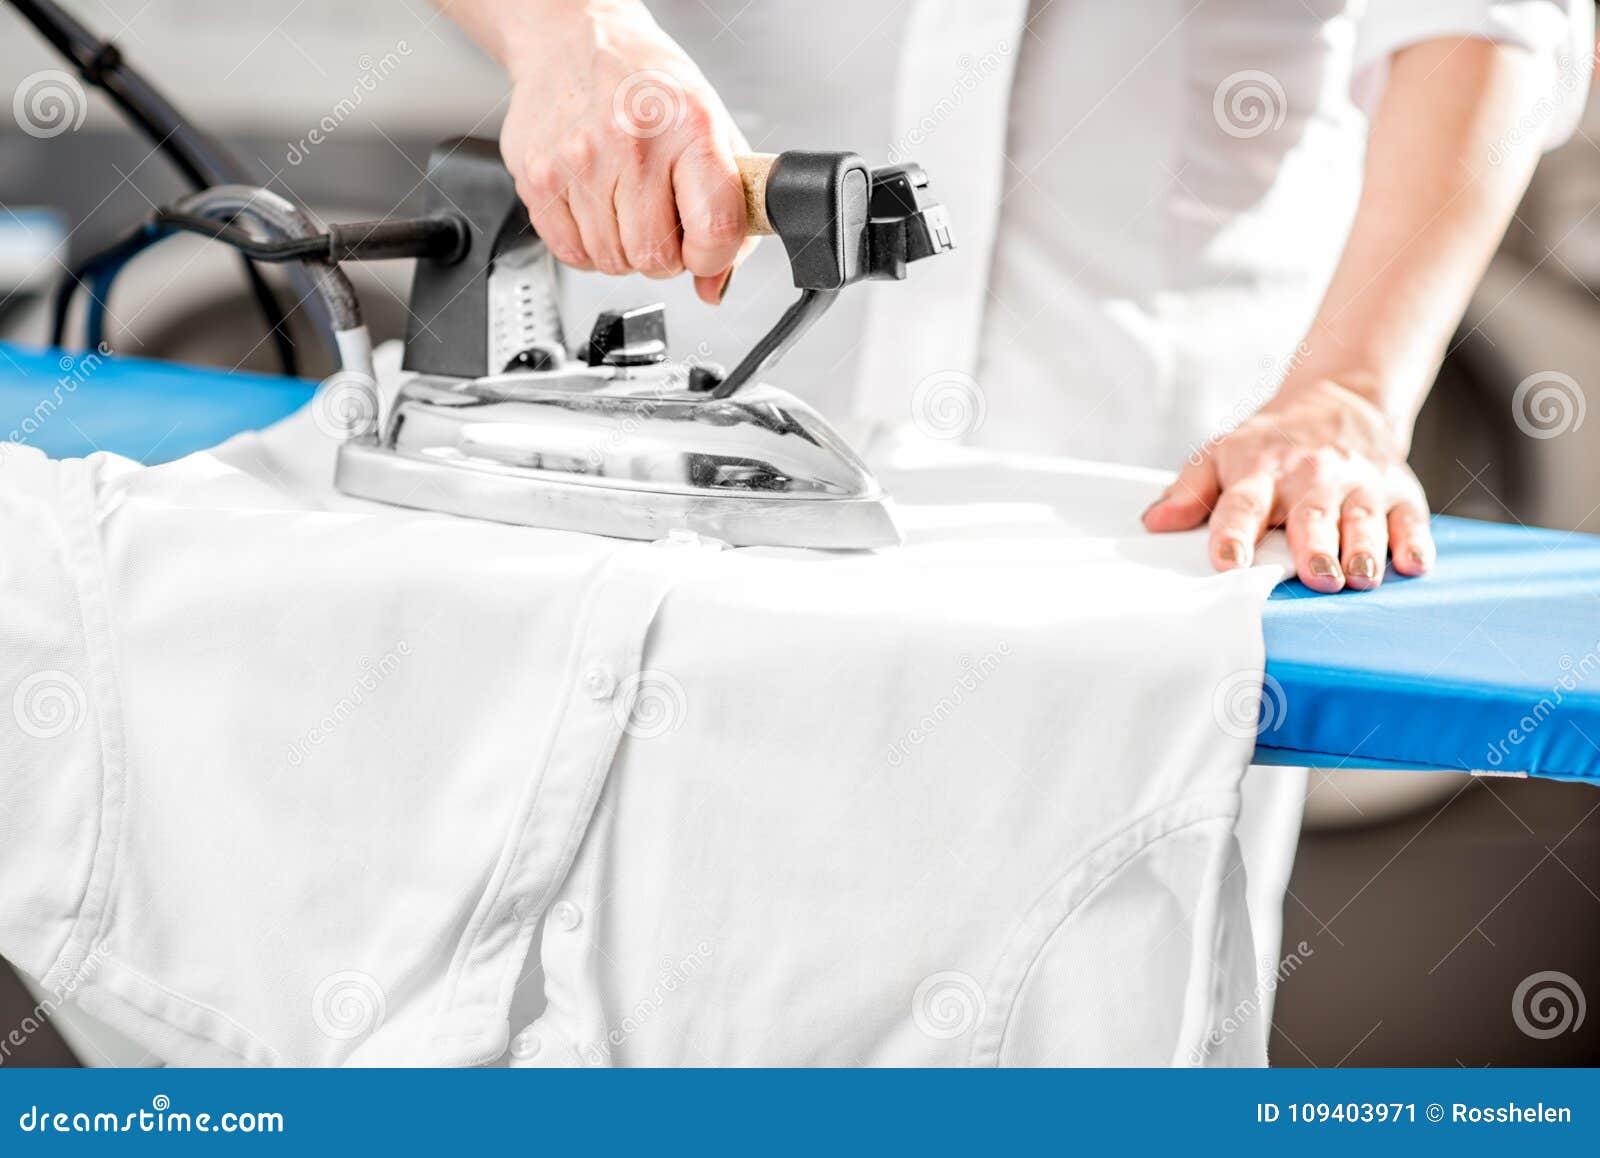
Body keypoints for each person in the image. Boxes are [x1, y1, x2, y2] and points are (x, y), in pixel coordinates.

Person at [435, 0, 1593, 1039]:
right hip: (662, 460)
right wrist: (567, 36)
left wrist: (1348, 392)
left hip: (1142, 516)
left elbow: (1486, 20)